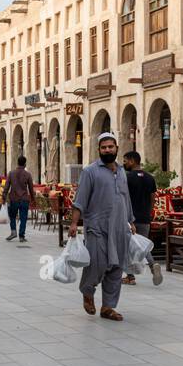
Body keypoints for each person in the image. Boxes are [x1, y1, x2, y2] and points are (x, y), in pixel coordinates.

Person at [69, 133, 136, 320]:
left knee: (116, 267)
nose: (107, 150)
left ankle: (108, 307)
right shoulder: (90, 171)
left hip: (119, 227)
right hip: (97, 227)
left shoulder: (122, 171)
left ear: (116, 148)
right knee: (97, 264)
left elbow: (125, 197)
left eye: (110, 147)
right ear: (99, 150)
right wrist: (74, 223)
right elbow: (80, 200)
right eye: (104, 147)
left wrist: (131, 221)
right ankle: (87, 291)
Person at [121, 151, 162, 286]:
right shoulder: (150, 178)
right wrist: (149, 213)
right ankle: (152, 265)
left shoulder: (127, 178)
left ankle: (130, 277)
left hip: (130, 218)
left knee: (126, 248)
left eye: (125, 160)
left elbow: (123, 198)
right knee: (142, 247)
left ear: (132, 161)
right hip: (145, 218)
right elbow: (153, 198)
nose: (124, 163)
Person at [4, 156, 34, 243]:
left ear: (17, 163)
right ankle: (21, 236)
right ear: (25, 164)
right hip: (24, 199)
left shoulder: (11, 173)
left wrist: (4, 196)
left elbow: (6, 187)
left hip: (14, 199)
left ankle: (13, 231)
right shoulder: (28, 174)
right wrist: (33, 199)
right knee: (23, 218)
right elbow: (31, 189)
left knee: (12, 216)